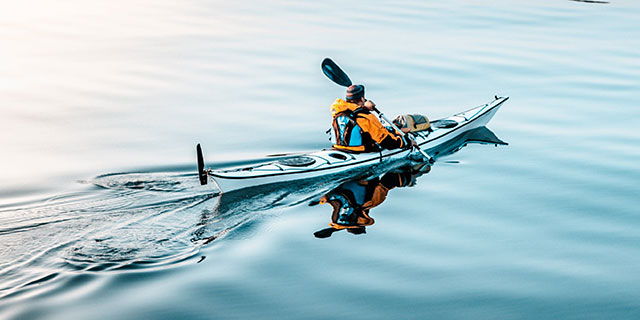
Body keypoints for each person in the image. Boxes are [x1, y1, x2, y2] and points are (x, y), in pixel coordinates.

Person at [330, 84, 417, 152]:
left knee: (386, 129)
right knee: (384, 134)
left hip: (338, 147)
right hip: (360, 150)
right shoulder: (366, 117)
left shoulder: (338, 111)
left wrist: (364, 108)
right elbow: (387, 142)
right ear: (362, 98)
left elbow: (354, 113)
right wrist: (407, 142)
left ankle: (393, 129)